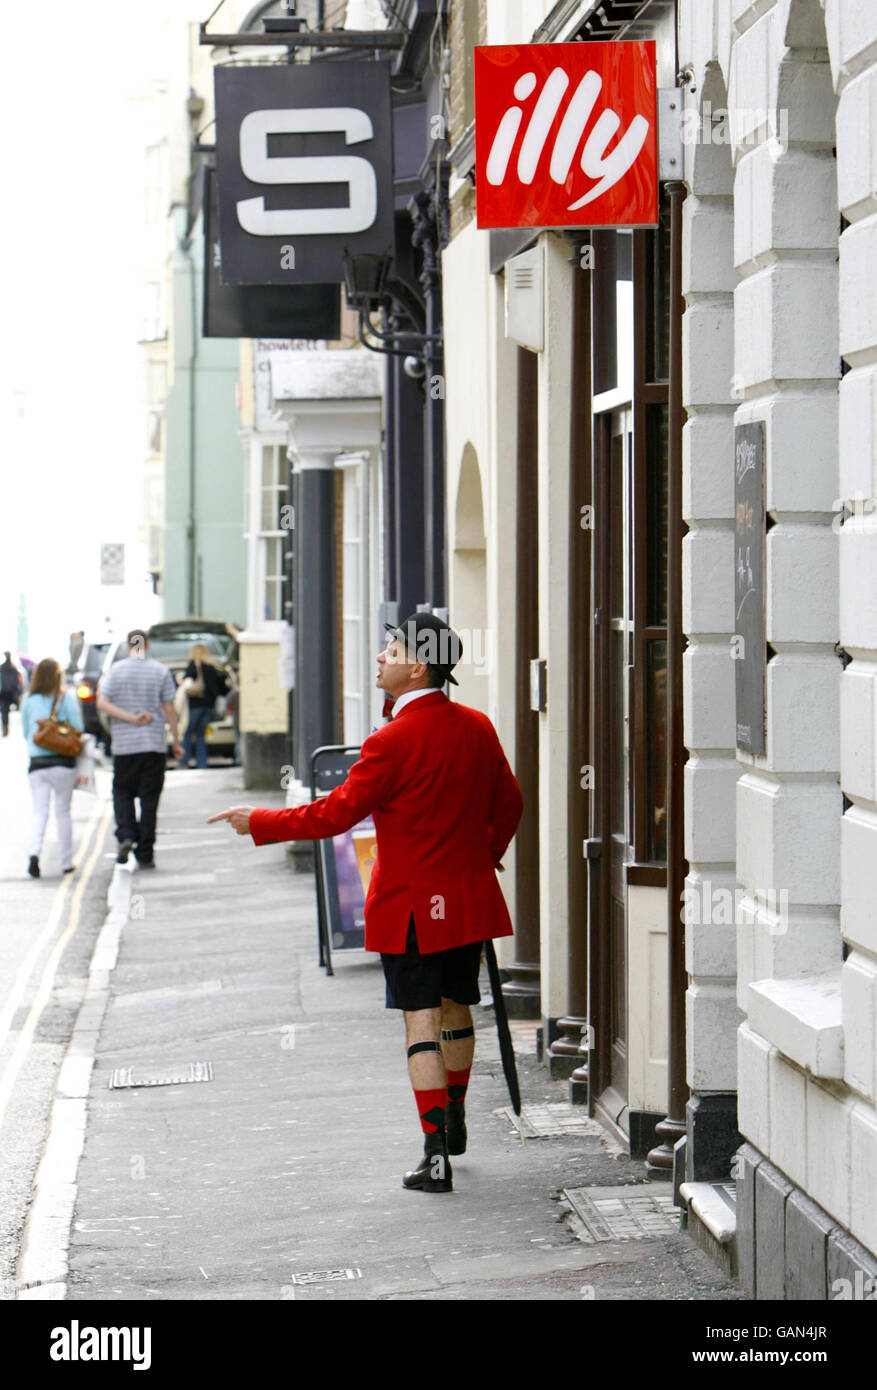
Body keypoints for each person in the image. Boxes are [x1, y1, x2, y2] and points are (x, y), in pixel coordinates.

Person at [208, 613, 524, 1194]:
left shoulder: (390, 742)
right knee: (457, 1009)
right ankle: (453, 1120)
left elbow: (333, 815)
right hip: (465, 900)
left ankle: (435, 1156)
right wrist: (486, 853)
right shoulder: (477, 726)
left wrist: (258, 820)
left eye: (392, 647)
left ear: (418, 665)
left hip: (409, 909)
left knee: (421, 1022)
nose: (381, 656)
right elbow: (510, 802)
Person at [97, 629, 183, 868]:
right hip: (153, 746)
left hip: (125, 747)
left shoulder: (115, 671)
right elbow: (169, 709)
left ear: (127, 647)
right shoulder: (160, 671)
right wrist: (176, 741)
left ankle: (126, 836)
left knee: (122, 792)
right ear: (147, 646)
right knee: (149, 799)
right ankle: (146, 853)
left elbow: (102, 703)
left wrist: (128, 718)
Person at [20, 657, 85, 878]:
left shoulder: (28, 700)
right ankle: (66, 862)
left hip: (37, 764)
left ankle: (34, 853)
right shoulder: (65, 698)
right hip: (63, 763)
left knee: (40, 812)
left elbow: (27, 733)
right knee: (63, 813)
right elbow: (79, 727)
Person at [177, 643, 231, 770]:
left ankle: (183, 763)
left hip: (195, 706)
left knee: (188, 734)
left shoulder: (193, 666)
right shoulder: (212, 668)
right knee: (201, 736)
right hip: (208, 706)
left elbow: (186, 683)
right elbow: (222, 689)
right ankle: (202, 764)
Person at [1, 651, 22, 736]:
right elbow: (18, 682)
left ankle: (5, 728)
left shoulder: (1, 668)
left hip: (3, 693)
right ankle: (6, 728)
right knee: (8, 712)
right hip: (12, 693)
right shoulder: (14, 669)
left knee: (4, 712)